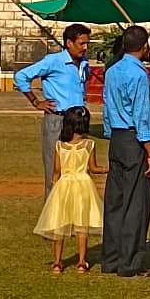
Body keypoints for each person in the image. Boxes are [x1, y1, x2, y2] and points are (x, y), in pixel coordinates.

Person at [101, 25, 150, 278]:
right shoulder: (139, 75)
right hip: (134, 139)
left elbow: (106, 104)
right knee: (136, 204)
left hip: (116, 137)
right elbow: (141, 115)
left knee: (115, 202)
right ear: (144, 46)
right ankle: (130, 261)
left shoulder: (112, 71)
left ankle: (111, 258)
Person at [15, 24, 91, 197]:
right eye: (81, 43)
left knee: (79, 173)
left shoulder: (84, 64)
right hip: (58, 120)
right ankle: (52, 219)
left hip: (78, 122)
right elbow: (21, 76)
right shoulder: (53, 61)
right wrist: (36, 102)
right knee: (54, 172)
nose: (85, 48)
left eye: (87, 43)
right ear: (69, 43)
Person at [33, 105, 105, 274]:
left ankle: (57, 263)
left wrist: (55, 185)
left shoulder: (60, 146)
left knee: (60, 225)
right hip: (82, 185)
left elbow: (56, 172)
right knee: (82, 226)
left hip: (64, 185)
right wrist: (107, 169)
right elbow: (93, 168)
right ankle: (81, 262)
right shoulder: (89, 145)